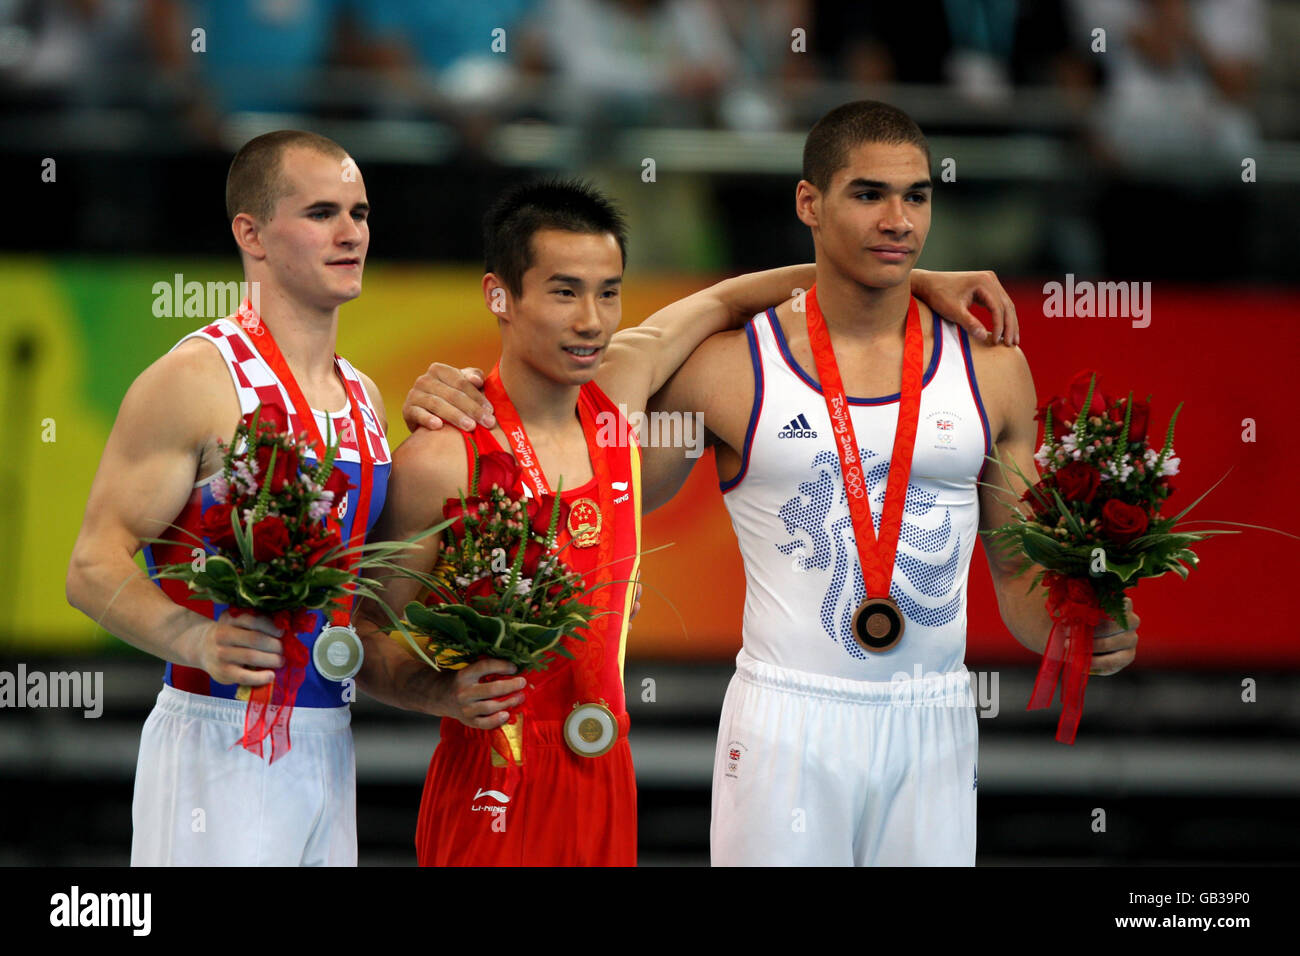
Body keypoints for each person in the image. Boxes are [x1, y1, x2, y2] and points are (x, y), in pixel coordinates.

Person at [385, 180, 1022, 866]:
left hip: (603, 762)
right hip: (493, 773)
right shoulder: (440, 457)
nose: (593, 321)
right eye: (565, 292)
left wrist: (913, 278)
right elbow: (357, 638)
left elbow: (728, 298)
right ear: (498, 296)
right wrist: (439, 691)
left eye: (609, 292)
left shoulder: (618, 393)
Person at [637, 100, 1141, 865]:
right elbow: (611, 482)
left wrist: (1081, 625)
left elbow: (1016, 574)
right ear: (809, 203)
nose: (899, 219)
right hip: (786, 721)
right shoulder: (729, 369)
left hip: (934, 721)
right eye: (869, 194)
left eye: (917, 195)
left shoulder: (993, 370)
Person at [65, 130, 395, 866]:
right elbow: (91, 567)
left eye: (361, 213)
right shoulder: (196, 380)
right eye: (321, 214)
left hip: (330, 743)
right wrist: (196, 640)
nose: (351, 235)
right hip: (218, 738)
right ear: (251, 233)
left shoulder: (365, 398)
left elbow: (365, 594)